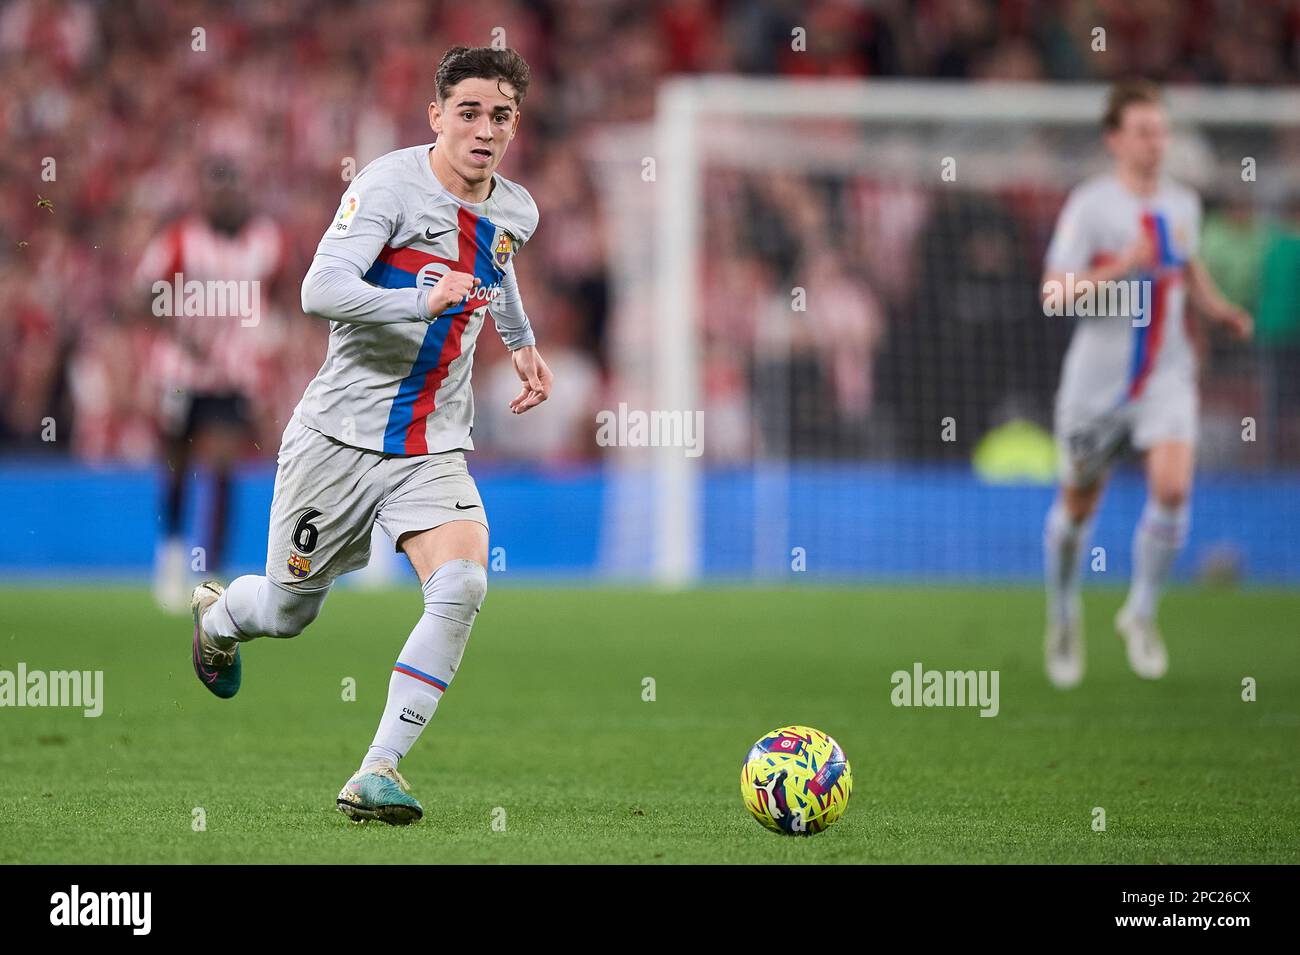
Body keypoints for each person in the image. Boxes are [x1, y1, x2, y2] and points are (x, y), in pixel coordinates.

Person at [187, 46, 553, 825]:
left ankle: (377, 767)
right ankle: (218, 619)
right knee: (288, 611)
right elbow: (319, 290)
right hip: (339, 438)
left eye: (501, 115)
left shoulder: (516, 208)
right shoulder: (387, 186)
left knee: (462, 585)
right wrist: (421, 305)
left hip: (432, 443)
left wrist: (520, 342)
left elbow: (500, 260)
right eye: (469, 113)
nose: (484, 129)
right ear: (436, 117)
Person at [1040, 79, 1251, 688]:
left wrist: (1218, 309)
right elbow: (1054, 294)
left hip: (1166, 374)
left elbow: (1187, 266)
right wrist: (1122, 265)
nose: (1155, 142)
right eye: (1142, 131)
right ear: (1114, 139)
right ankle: (1062, 612)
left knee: (1173, 486)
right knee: (1079, 504)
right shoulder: (1090, 206)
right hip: (1096, 385)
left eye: (1160, 131)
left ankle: (1139, 612)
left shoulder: (1183, 204)